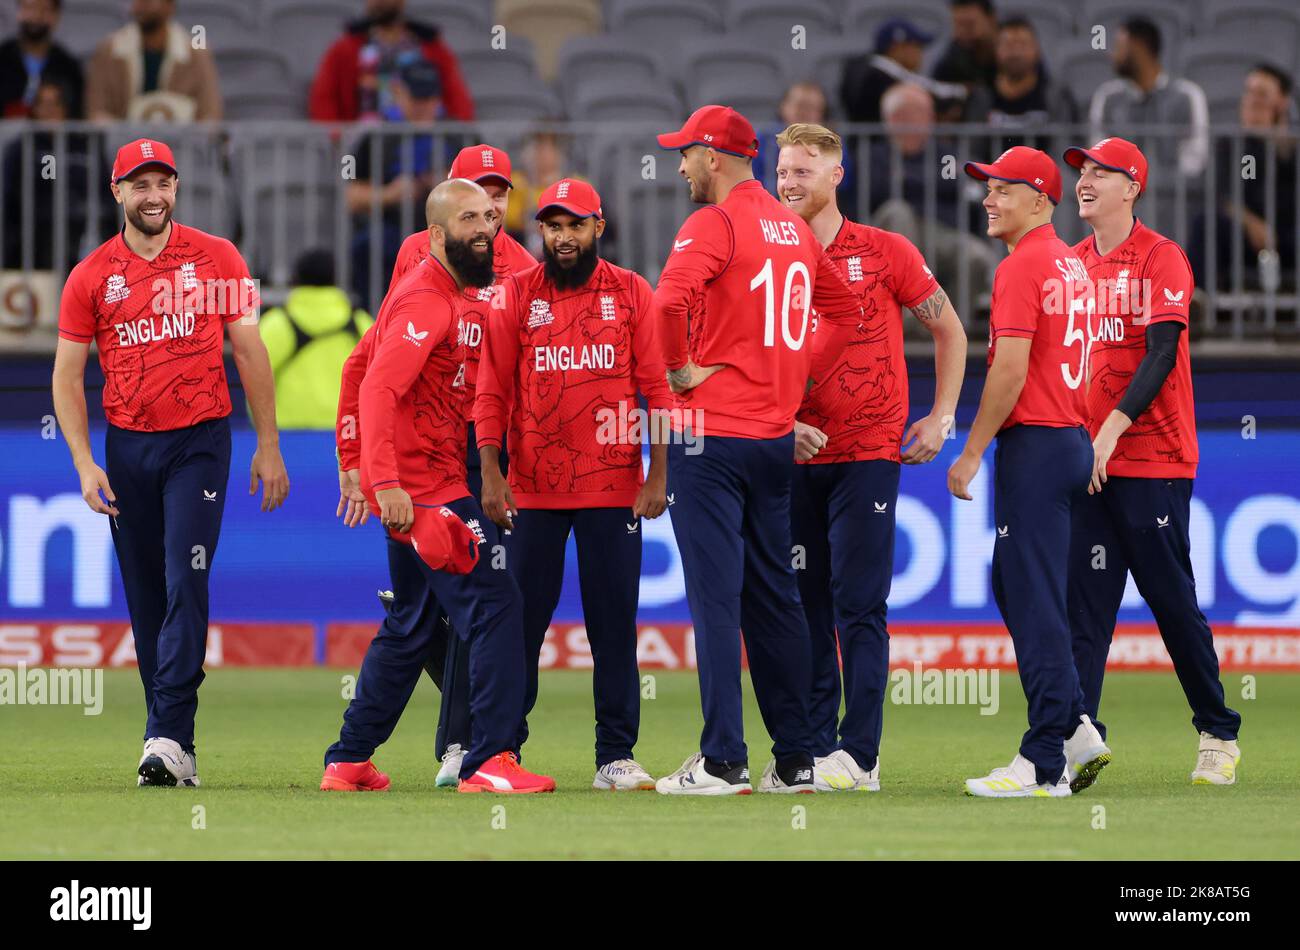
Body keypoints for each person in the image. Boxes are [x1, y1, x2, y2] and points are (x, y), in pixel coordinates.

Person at [52, 138, 288, 787]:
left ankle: (167, 737)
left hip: (201, 442)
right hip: (126, 448)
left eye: (163, 183)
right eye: (139, 184)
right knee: (146, 598)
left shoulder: (218, 257)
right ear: (117, 192)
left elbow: (249, 352)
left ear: (176, 188)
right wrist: (82, 462)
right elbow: (67, 377)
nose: (152, 196)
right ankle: (171, 745)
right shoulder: (90, 276)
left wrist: (268, 444)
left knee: (187, 578)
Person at [650, 105, 864, 795]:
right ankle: (798, 759)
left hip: (710, 437)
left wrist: (681, 371)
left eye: (685, 152)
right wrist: (791, 371)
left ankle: (721, 761)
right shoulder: (794, 232)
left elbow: (666, 304)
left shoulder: (715, 223)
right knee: (776, 600)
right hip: (773, 441)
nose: (679, 165)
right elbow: (845, 313)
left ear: (714, 156)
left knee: (716, 599)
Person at [323, 178, 554, 795]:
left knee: (414, 624)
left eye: (490, 216)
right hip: (424, 489)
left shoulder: (448, 293)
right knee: (497, 605)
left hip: (428, 482)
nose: (485, 227)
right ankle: (488, 761)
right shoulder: (426, 299)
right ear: (435, 234)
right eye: (469, 218)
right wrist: (384, 480)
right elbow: (377, 387)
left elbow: (362, 366)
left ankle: (348, 760)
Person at [775, 123, 968, 792]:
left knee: (859, 602)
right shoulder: (771, 261)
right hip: (794, 453)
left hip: (866, 452)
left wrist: (942, 420)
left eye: (802, 170)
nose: (788, 182)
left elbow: (948, 327)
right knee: (804, 607)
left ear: (836, 176)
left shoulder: (885, 251)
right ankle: (813, 751)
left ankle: (860, 756)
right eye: (782, 171)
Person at [476, 178, 671, 791]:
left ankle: (615, 756)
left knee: (612, 627)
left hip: (615, 491)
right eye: (553, 226)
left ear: (598, 226)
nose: (563, 238)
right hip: (531, 490)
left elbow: (657, 389)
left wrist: (658, 473)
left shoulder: (632, 291)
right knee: (522, 627)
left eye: (575, 225)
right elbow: (491, 390)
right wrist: (490, 471)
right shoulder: (514, 294)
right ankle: (503, 751)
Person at [1063, 136, 1243, 787]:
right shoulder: (1072, 266)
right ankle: (1077, 736)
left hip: (1153, 458)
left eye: (1100, 173)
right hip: (1091, 459)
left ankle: (1218, 733)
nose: (1084, 181)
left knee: (1171, 601)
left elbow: (1160, 355)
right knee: (1083, 605)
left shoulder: (1161, 258)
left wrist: (1108, 432)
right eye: (1080, 172)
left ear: (1132, 186)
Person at [388, 142, 536, 787]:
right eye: (477, 194)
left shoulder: (526, 267)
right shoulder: (421, 261)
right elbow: (385, 360)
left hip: (488, 452)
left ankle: (469, 743)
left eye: (499, 193)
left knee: (481, 601)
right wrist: (371, 462)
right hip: (430, 455)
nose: (491, 207)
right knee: (427, 608)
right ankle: (471, 746)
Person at [947, 146, 1092, 798]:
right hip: (1068, 439)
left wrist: (972, 448)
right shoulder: (1073, 264)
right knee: (1018, 585)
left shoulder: (1022, 266)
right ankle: (1076, 725)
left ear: (1040, 200)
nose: (988, 198)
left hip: (1035, 443)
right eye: (987, 187)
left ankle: (1045, 761)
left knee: (1031, 597)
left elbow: (1008, 371)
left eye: (1003, 189)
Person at [868, 82, 997, 299]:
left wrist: (908, 180)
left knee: (976, 256)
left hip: (942, 231)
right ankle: (906, 319)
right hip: (891, 234)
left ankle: (943, 327)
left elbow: (966, 187)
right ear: (893, 119)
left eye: (927, 113)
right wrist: (934, 182)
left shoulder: (946, 153)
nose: (929, 119)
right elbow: (877, 190)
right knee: (898, 212)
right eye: (916, 114)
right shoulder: (873, 154)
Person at [1189, 64, 1297, 290]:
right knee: (1206, 223)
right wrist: (1252, 223)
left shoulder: (1293, 149)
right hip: (1245, 237)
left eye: (1262, 95)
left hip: (1289, 236)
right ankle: (1199, 299)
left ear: (1282, 102)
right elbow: (1221, 194)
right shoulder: (1232, 146)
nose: (1252, 100)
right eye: (1249, 93)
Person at [346, 58, 442, 307]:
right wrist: (390, 194)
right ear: (399, 93)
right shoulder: (375, 137)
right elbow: (352, 197)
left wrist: (448, 187)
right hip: (391, 230)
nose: (424, 106)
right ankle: (376, 323)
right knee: (367, 246)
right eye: (416, 97)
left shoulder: (456, 134)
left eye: (429, 98)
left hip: (446, 234)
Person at [2, 80, 112, 270]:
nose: (49, 110)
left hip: (83, 226)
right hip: (39, 233)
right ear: (34, 110)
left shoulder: (86, 144)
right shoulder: (23, 148)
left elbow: (105, 191)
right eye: (42, 104)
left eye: (55, 103)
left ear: (66, 107)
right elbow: (14, 199)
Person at [257, 249, 373, 430]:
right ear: (335, 278)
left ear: (295, 279)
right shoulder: (361, 324)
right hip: (348, 431)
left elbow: (256, 379)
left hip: (288, 434)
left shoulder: (276, 324)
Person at [309, 0, 473, 122]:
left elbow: (458, 102)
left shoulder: (434, 49)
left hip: (421, 141)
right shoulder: (344, 49)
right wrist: (338, 138)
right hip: (364, 146)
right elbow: (323, 99)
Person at [1089, 16, 1208, 181]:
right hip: (1120, 197)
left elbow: (1195, 157)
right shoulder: (1107, 97)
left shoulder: (1187, 95)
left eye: (1119, 47)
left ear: (1139, 48)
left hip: (1174, 198)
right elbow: (1099, 154)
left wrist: (1162, 185)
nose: (1113, 55)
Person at [85, 0, 222, 122]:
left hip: (179, 147)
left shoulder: (196, 53)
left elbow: (210, 113)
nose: (140, 5)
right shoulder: (109, 49)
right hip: (124, 146)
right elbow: (97, 110)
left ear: (169, 6)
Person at [965, 15, 1078, 151]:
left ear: (1037, 50)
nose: (1016, 53)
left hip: (1043, 172)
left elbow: (1063, 150)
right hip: (992, 172)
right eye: (1009, 45)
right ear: (996, 50)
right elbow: (971, 152)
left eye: (1023, 45)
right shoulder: (982, 97)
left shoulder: (1055, 95)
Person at [841, 18, 966, 124]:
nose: (920, 55)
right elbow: (937, 93)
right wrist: (964, 92)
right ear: (898, 48)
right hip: (879, 147)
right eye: (917, 47)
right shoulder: (880, 68)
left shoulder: (868, 67)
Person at [0, 0, 83, 118]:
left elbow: (75, 116)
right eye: (29, 8)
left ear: (56, 16)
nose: (36, 16)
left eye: (44, 9)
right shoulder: (3, 58)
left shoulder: (68, 67)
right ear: (18, 12)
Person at [931, 0, 998, 102]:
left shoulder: (1015, 60)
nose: (963, 32)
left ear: (991, 20)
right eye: (958, 25)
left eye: (970, 25)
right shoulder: (949, 64)